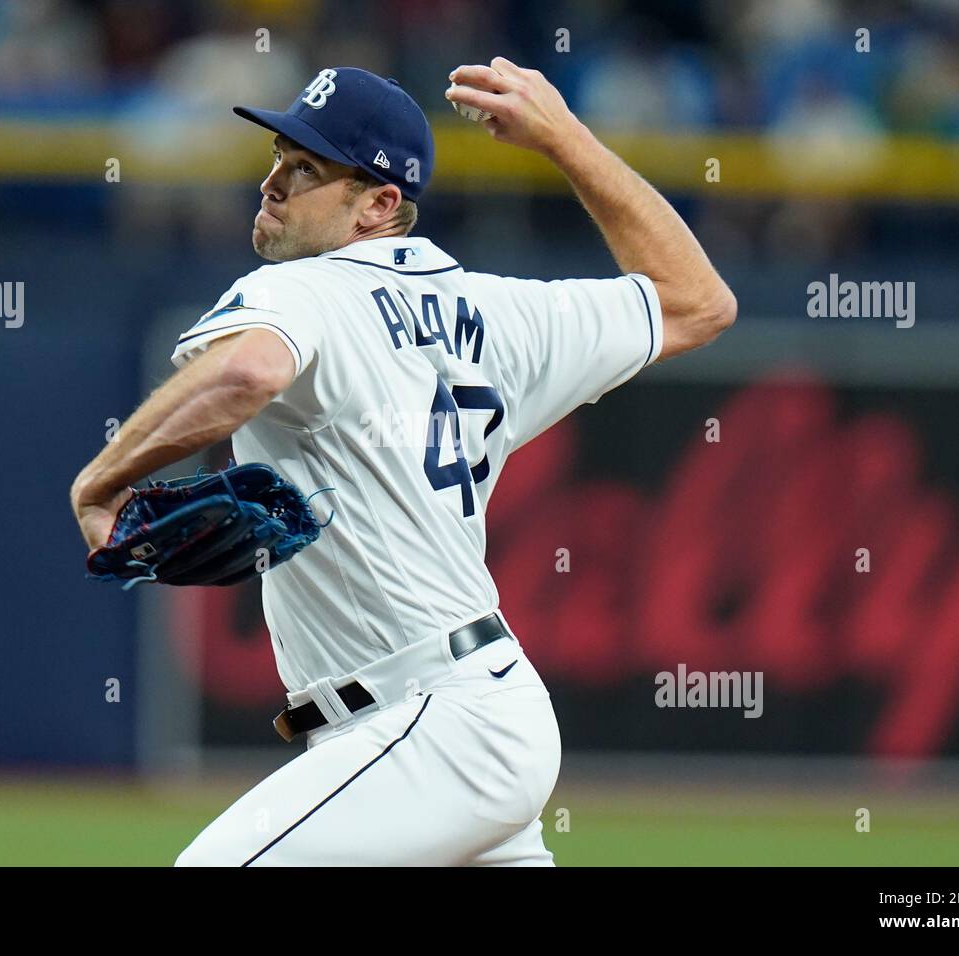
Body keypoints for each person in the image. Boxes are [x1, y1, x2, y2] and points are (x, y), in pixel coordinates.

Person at [70, 60, 736, 866]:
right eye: (278, 157)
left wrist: (100, 481)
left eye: (306, 169)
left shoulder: (307, 290)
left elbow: (247, 373)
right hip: (470, 715)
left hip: (429, 725)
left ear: (379, 206)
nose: (273, 182)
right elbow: (698, 301)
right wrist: (564, 139)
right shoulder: (503, 311)